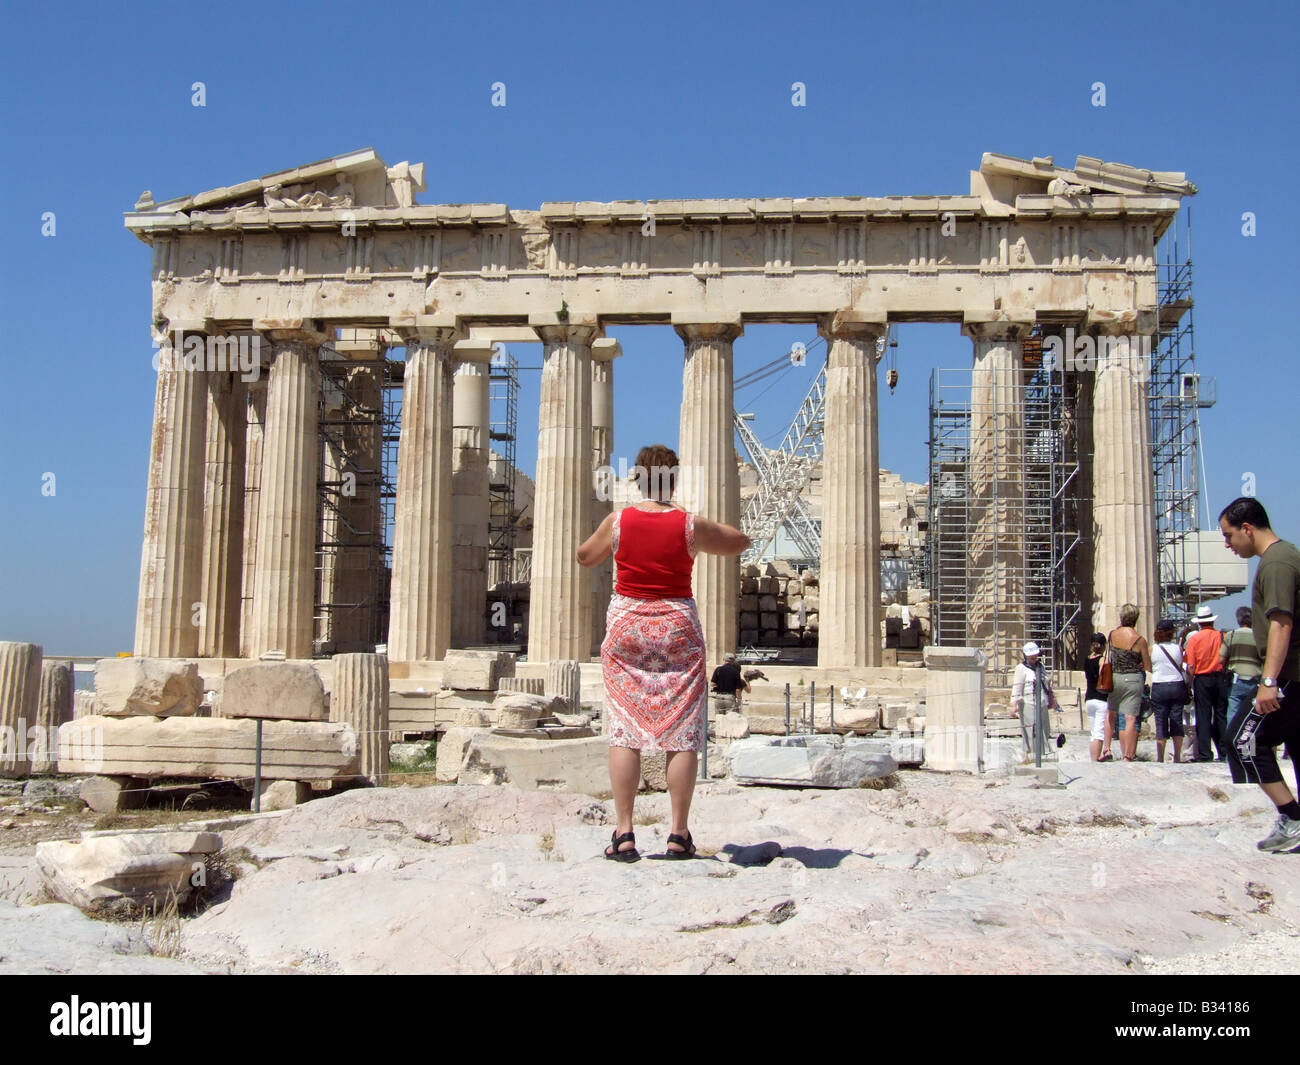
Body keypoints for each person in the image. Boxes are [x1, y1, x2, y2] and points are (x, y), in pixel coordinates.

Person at [577, 444, 751, 862]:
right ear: (673, 480)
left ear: (637, 480)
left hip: (628, 625)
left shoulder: (618, 521)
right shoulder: (689, 525)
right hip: (676, 626)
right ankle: (678, 834)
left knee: (624, 731)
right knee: (683, 735)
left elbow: (584, 557)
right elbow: (738, 543)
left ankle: (624, 834)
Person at [1218, 497, 1300, 853]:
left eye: (1229, 535)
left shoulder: (1277, 564)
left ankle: (1292, 818)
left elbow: (1281, 623)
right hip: (1293, 676)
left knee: (1242, 740)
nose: (1226, 544)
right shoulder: (1284, 557)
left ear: (1247, 529)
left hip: (1287, 677)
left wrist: (1268, 682)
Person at [1185, 604, 1230, 761]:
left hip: (1202, 679)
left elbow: (1190, 666)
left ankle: (1205, 753)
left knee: (1203, 716)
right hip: (1220, 677)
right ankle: (1224, 751)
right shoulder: (1221, 636)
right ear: (1212, 621)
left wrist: (1189, 684)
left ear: (1199, 622)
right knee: (1221, 715)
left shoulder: (1194, 639)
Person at [1107, 604, 1150, 762]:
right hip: (1133, 679)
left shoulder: (1112, 635)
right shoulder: (1140, 640)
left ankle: (1107, 747)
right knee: (1130, 718)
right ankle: (1127, 755)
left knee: (1112, 713)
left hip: (1115, 677)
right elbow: (1147, 665)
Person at [1149, 619, 1190, 764]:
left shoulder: (1152, 649)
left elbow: (1148, 667)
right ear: (1172, 632)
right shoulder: (1178, 648)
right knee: (1176, 719)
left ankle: (1160, 757)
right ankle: (1177, 756)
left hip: (1160, 684)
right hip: (1177, 685)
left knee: (1160, 720)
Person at [1011, 641, 1058, 756]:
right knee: (1031, 729)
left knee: (1044, 728)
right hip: (1028, 702)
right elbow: (1017, 686)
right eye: (1030, 655)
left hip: (1042, 701)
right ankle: (1032, 753)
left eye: (1035, 655)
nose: (1033, 657)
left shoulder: (1040, 666)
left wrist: (1052, 699)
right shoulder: (1021, 668)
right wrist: (1014, 705)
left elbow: (1047, 684)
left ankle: (1044, 752)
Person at [1220, 605, 1263, 727]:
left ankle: (1232, 742)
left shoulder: (1231, 635)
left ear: (1238, 620)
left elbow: (1220, 659)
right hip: (1255, 680)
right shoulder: (1259, 637)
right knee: (1253, 715)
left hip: (1236, 680)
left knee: (1233, 714)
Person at [1082, 633, 1110, 762]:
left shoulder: (1087, 659)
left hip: (1089, 697)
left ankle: (1094, 757)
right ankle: (1095, 758)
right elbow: (1104, 677)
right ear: (1104, 646)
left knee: (1093, 732)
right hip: (1100, 697)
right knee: (1099, 732)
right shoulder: (1103, 660)